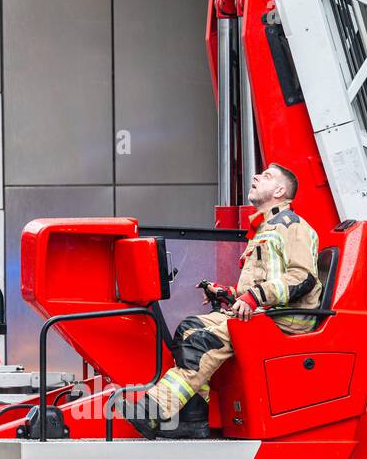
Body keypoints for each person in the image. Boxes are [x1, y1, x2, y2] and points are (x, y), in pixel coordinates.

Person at [134, 163, 320, 439]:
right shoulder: (266, 229)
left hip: (284, 320)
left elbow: (302, 278)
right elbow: (262, 284)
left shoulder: (292, 226)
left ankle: (154, 409)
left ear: (281, 191)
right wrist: (228, 294)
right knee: (189, 327)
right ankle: (193, 417)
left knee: (204, 340)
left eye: (266, 176)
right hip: (266, 314)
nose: (256, 177)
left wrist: (253, 296)